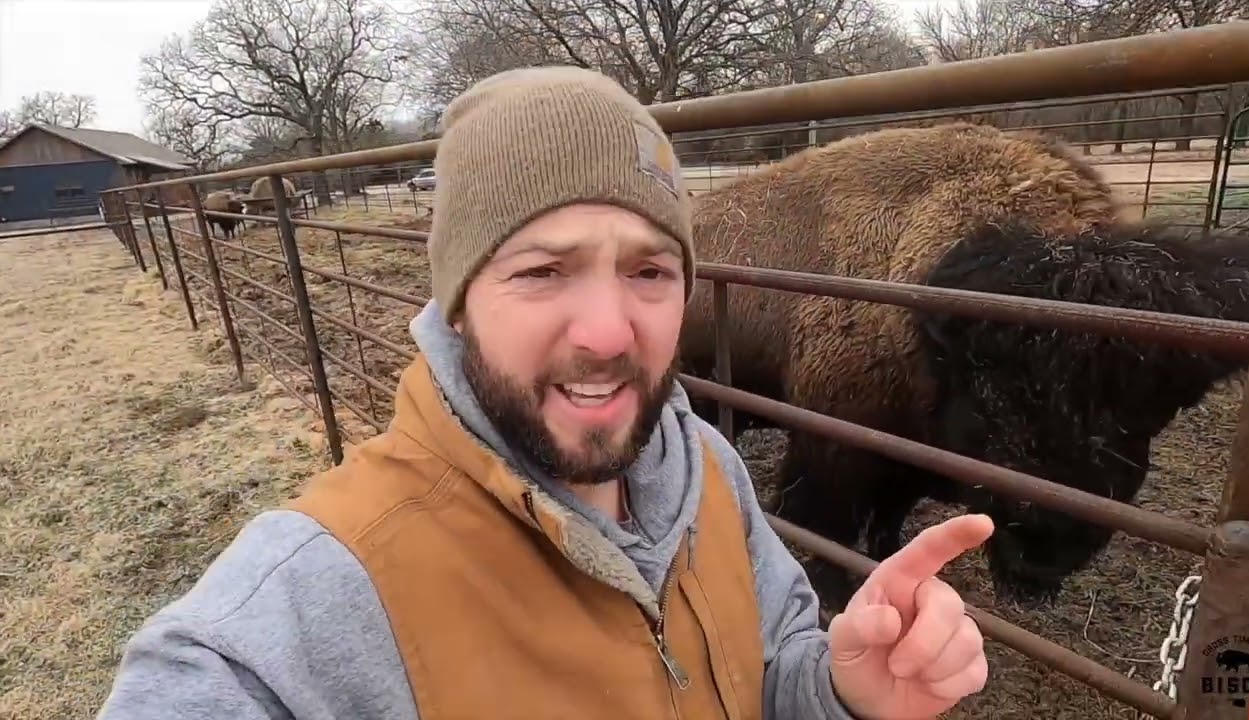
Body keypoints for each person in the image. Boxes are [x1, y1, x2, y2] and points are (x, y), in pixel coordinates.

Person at [96, 66, 992, 720]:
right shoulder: (316, 596)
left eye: (648, 269)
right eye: (541, 271)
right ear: (457, 302)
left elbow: (776, 671)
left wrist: (839, 690)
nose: (608, 332)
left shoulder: (709, 472)